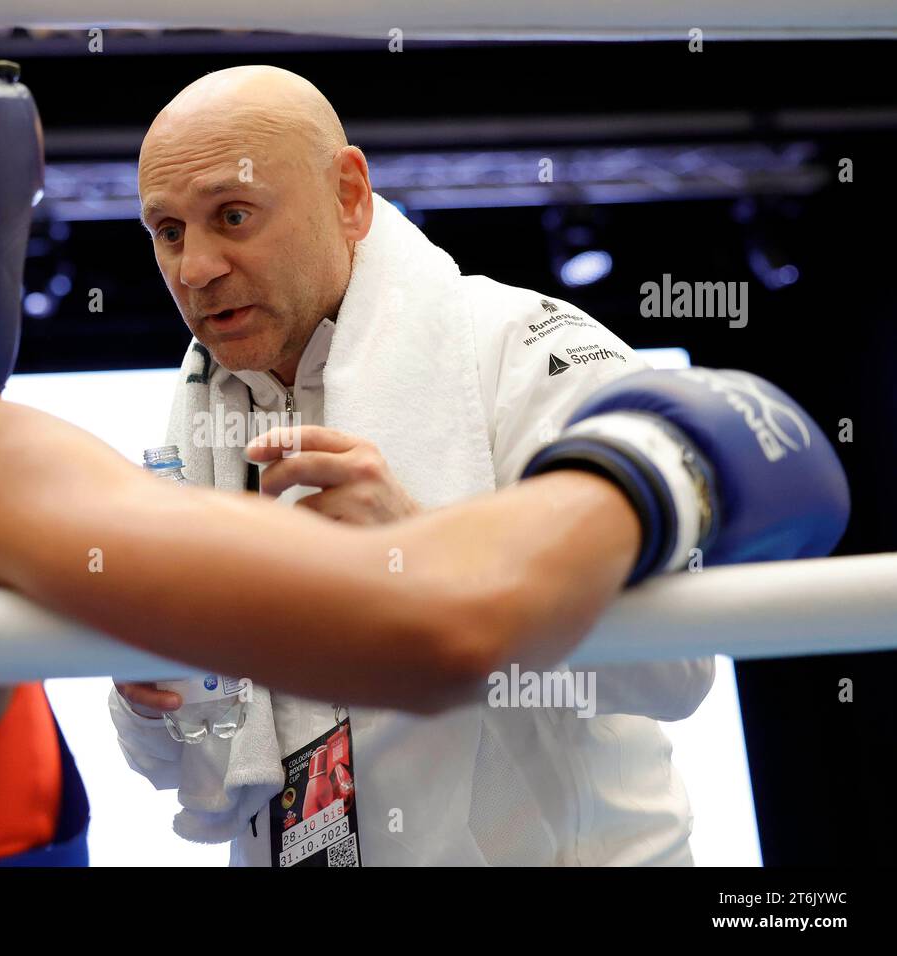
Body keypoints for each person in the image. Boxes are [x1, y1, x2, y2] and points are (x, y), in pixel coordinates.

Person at [109, 65, 849, 866]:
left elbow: (676, 671)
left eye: (233, 214)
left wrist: (428, 553)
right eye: (168, 231)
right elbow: (183, 771)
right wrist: (145, 695)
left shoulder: (533, 352)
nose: (195, 268)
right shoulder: (205, 423)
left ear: (348, 196)